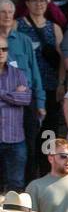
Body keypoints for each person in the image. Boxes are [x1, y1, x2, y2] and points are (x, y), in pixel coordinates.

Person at [16, 0, 59, 136]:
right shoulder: (17, 25)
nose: (38, 4)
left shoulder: (54, 27)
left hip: (49, 82)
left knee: (49, 126)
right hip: (26, 84)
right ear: (27, 3)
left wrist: (61, 83)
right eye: (34, 0)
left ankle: (47, 158)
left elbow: (61, 59)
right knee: (27, 126)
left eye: (42, 0)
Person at [0, 34, 30, 190]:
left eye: (4, 49)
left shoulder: (18, 74)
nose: (1, 52)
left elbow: (26, 99)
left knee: (16, 184)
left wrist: (2, 94)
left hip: (15, 138)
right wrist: (13, 94)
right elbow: (19, 98)